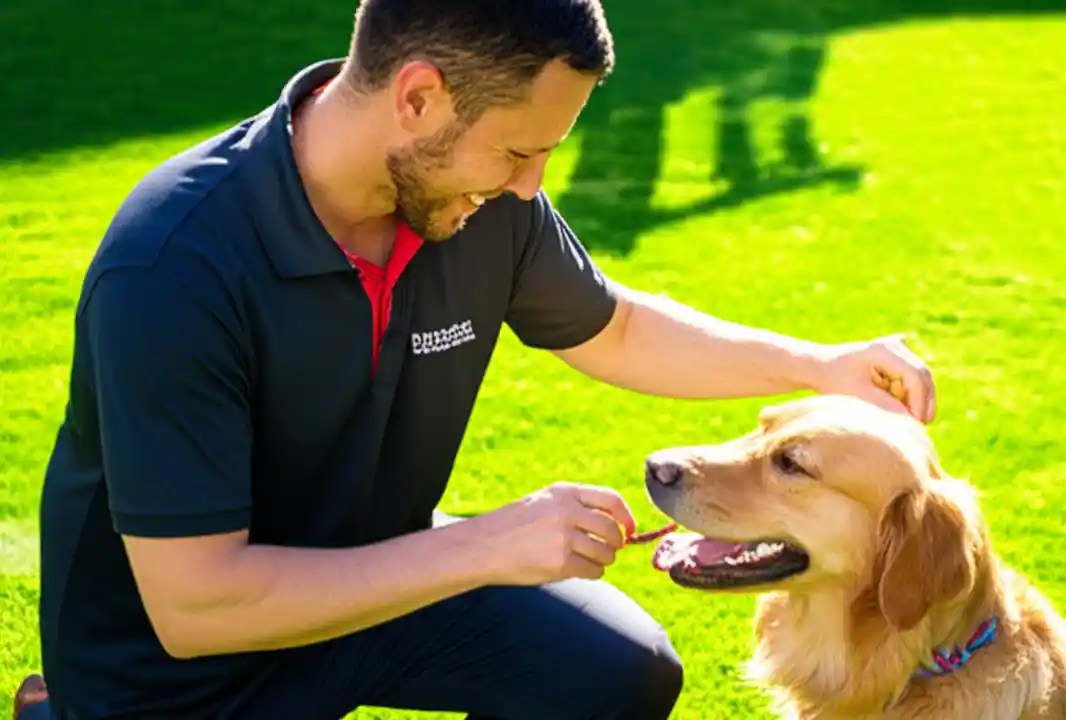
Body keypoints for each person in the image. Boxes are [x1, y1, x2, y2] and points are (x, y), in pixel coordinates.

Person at [20, 1, 937, 718]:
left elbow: (611, 326)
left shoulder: (481, 204)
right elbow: (198, 608)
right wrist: (484, 546)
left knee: (617, 674)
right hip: (178, 679)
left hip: (377, 578)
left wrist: (820, 365)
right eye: (517, 150)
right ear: (417, 97)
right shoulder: (174, 261)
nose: (531, 185)